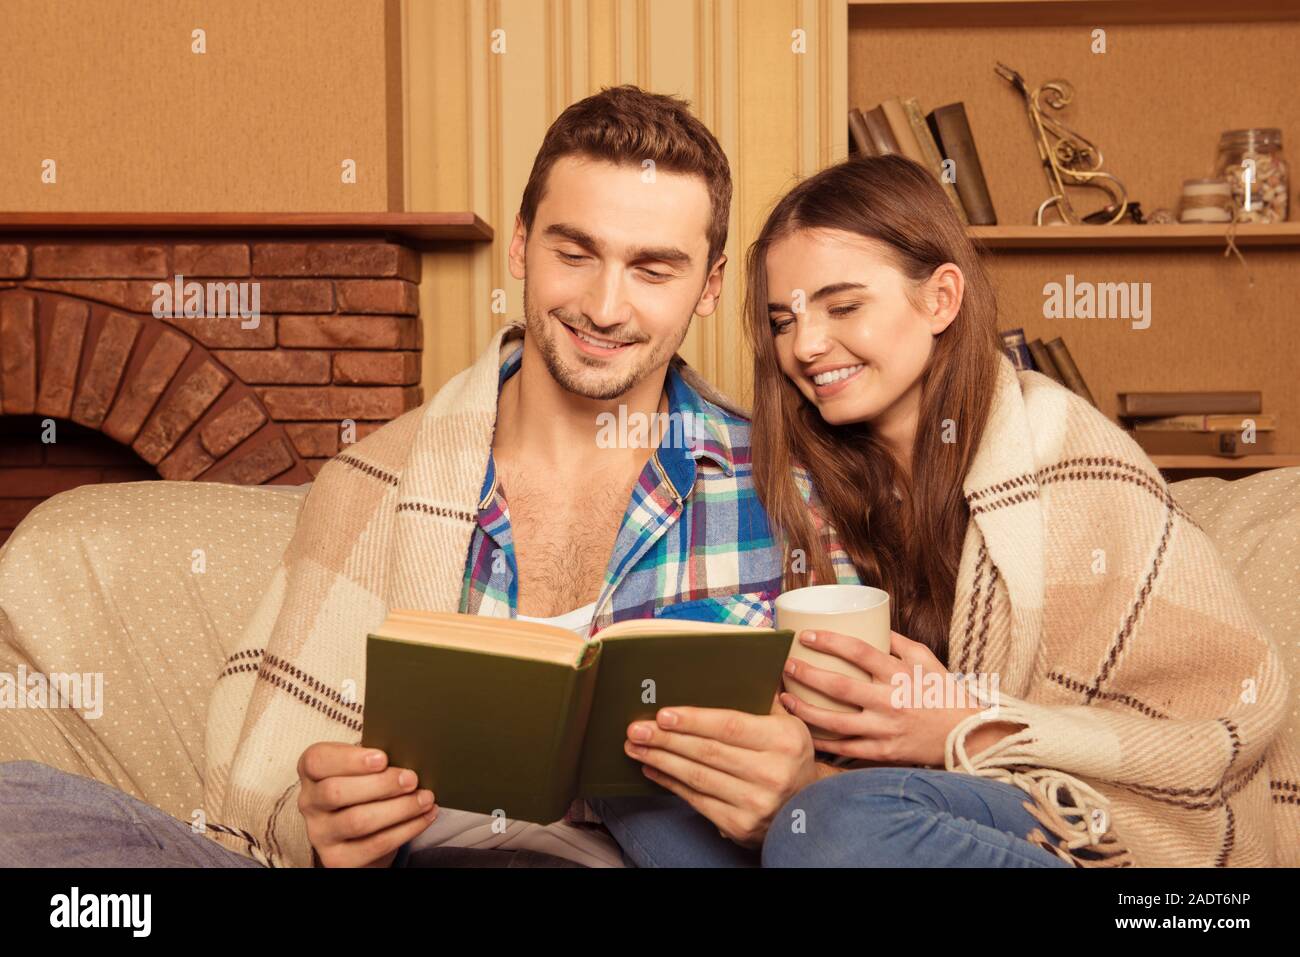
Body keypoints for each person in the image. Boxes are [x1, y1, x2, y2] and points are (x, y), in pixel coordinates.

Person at [0, 85, 849, 869]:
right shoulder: (372, 478)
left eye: (652, 268)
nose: (604, 305)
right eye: (575, 252)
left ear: (708, 286)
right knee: (19, 807)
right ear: (521, 246)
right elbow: (264, 788)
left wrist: (799, 801)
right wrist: (320, 817)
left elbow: (875, 797)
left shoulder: (788, 488)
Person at [596, 154, 1298, 868]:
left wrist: (964, 722)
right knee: (641, 770)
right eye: (785, 319)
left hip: (1092, 816)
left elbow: (1225, 717)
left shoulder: (1066, 455)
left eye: (843, 307)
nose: (805, 346)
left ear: (940, 299)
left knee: (841, 823)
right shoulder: (810, 478)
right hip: (888, 800)